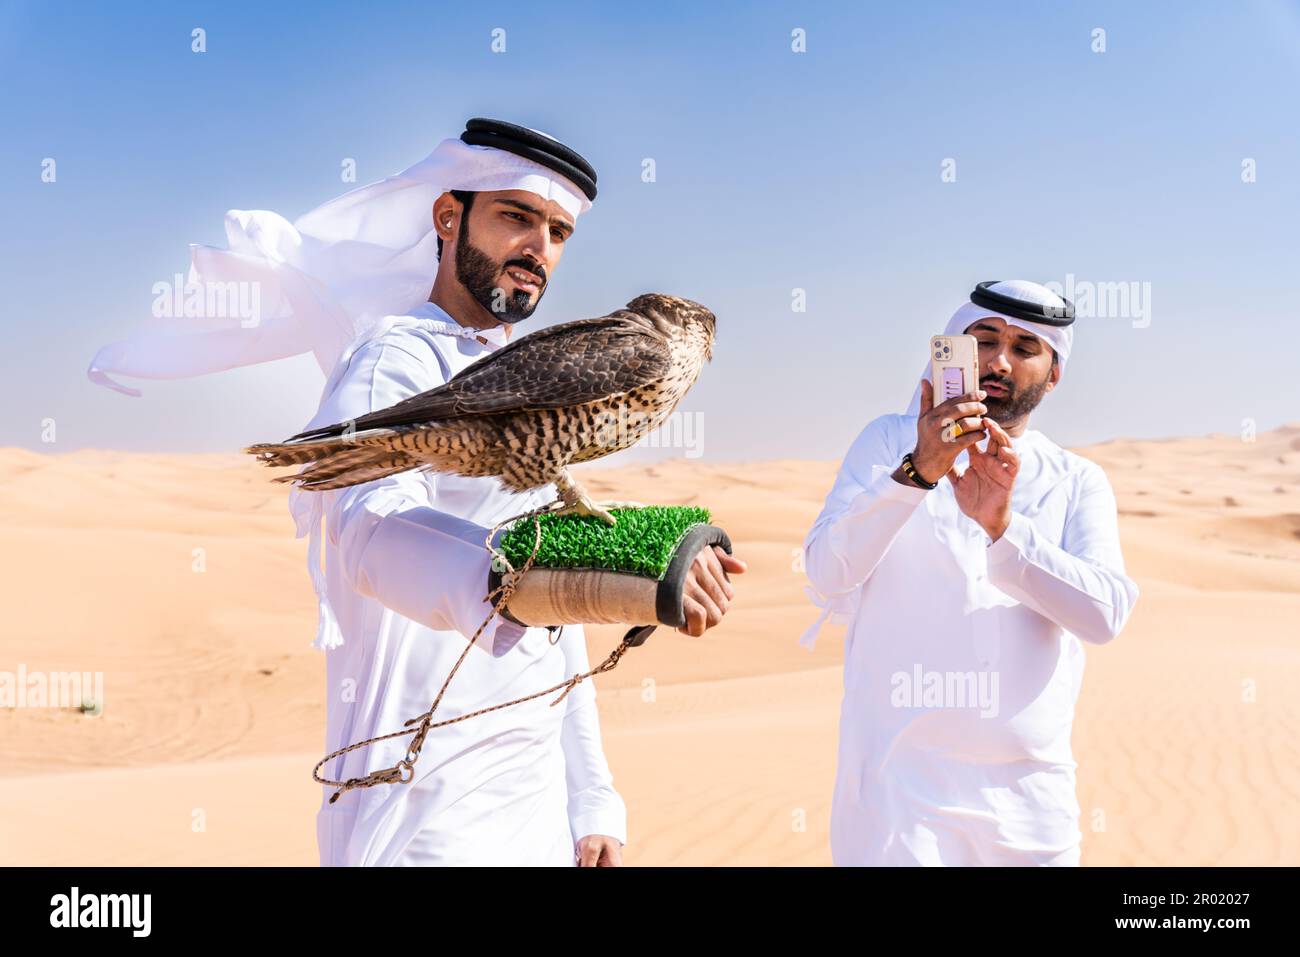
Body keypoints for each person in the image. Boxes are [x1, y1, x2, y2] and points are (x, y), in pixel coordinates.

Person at [88, 118, 744, 866]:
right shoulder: (393, 355)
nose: (539, 248)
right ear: (447, 217)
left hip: (531, 815)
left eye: (558, 232)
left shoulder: (535, 373)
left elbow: (558, 637)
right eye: (516, 217)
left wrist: (593, 802)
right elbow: (370, 532)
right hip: (419, 818)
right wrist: (505, 574)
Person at [800, 279, 1139, 866]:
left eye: (1025, 348)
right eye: (983, 340)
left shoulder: (1076, 479)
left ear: (1053, 374)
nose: (999, 361)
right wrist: (917, 473)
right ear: (951, 350)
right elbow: (827, 575)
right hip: (896, 799)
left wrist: (1005, 529)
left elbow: (1106, 615)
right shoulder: (888, 443)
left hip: (1032, 803)